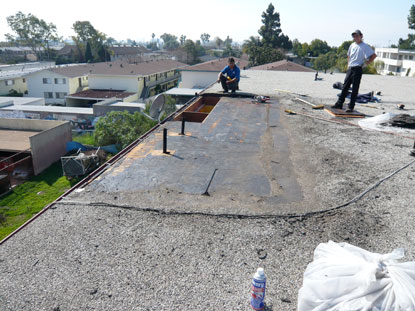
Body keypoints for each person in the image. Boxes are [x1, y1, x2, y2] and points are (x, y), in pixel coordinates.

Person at [332, 30, 377, 112]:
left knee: (355, 89)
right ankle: (339, 103)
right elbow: (348, 55)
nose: (355, 38)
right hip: (351, 68)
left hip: (358, 68)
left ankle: (351, 106)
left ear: (361, 36)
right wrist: (349, 64)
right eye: (354, 36)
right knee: (345, 86)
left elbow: (373, 55)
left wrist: (366, 64)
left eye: (357, 36)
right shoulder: (352, 45)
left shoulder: (364, 46)